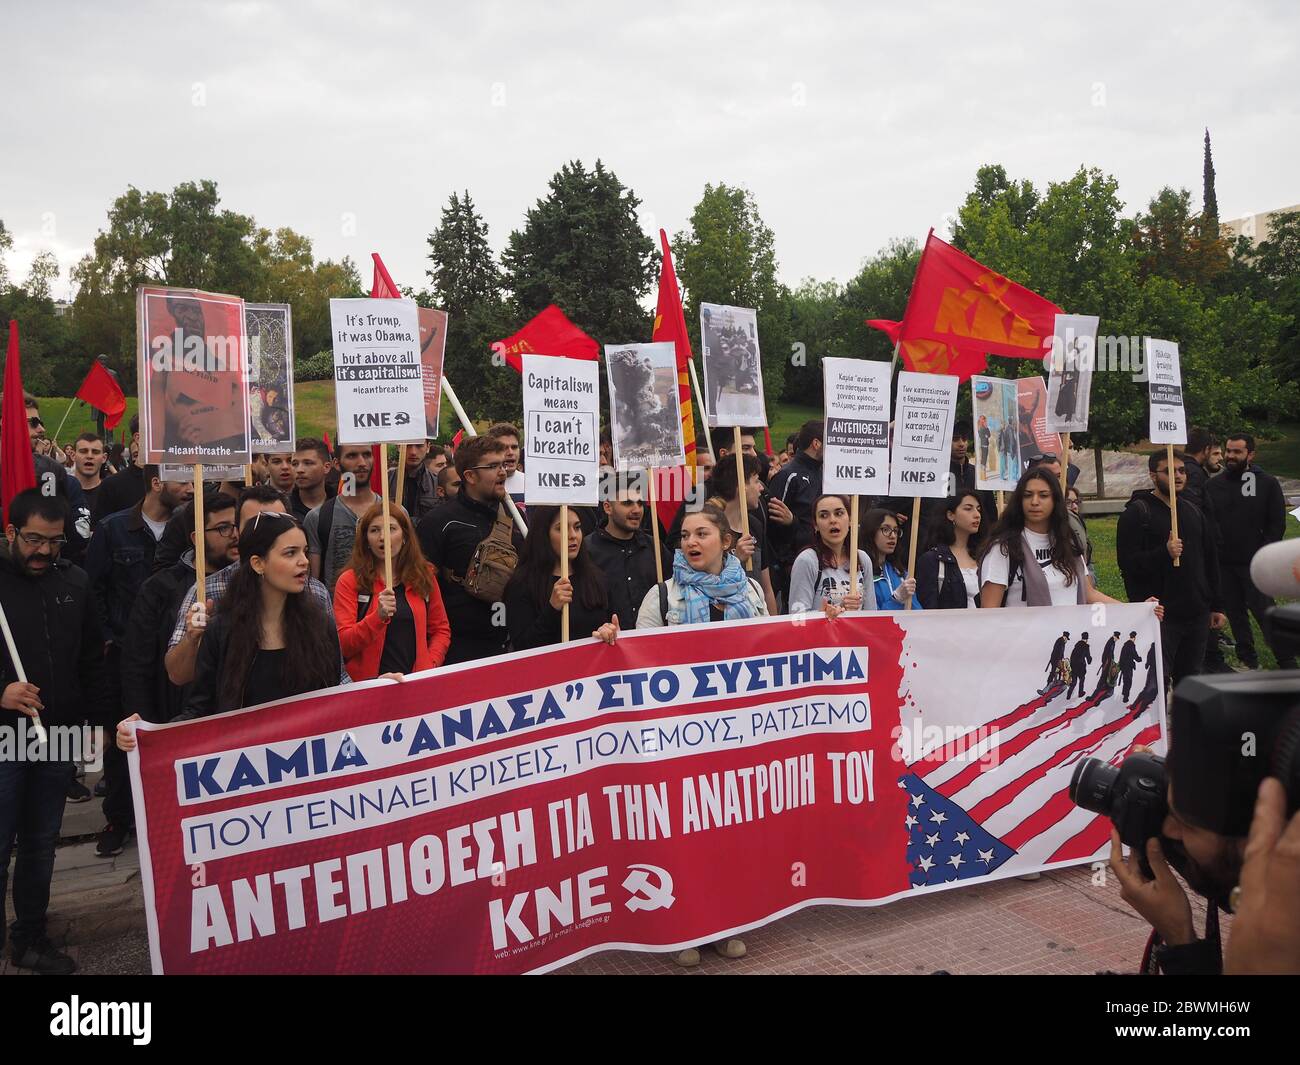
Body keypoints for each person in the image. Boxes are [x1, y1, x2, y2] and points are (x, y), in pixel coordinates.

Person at [635, 502, 763, 965]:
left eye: (702, 533)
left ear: (726, 542)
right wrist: (613, 644)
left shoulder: (749, 592)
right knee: (685, 834)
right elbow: (638, 664)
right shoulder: (661, 596)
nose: (690, 542)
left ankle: (727, 921)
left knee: (730, 831)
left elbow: (771, 651)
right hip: (679, 739)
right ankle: (684, 926)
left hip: (738, 737)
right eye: (685, 535)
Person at [0, 489, 105, 974]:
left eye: (54, 542)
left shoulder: (77, 582)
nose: (43, 551)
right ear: (10, 533)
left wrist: (93, 723)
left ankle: (30, 938)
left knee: (41, 842)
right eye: (33, 540)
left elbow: (88, 659)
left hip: (59, 733)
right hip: (3, 736)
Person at [119, 513, 349, 731]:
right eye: (290, 553)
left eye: (305, 551)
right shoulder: (221, 630)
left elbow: (336, 696)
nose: (304, 562)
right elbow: (200, 709)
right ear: (258, 564)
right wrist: (149, 734)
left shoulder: (320, 625)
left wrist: (378, 690)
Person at [84, 464, 191, 857]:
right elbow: (92, 586)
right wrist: (109, 638)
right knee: (122, 737)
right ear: (156, 483)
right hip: (124, 653)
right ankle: (119, 817)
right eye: (182, 481)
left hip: (173, 651)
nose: (188, 489)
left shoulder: (185, 527)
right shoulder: (114, 529)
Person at [164, 486, 335, 687]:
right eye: (255, 524)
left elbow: (335, 675)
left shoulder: (315, 592)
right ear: (238, 532)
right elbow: (178, 675)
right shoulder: (207, 591)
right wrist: (192, 638)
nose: (269, 533)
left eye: (280, 523)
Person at [1117, 451, 1226, 688]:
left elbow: (1210, 560)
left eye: (1181, 470)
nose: (1177, 476)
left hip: (1196, 613)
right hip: (1161, 615)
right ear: (1153, 476)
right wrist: (1164, 553)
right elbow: (1128, 564)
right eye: (1169, 471)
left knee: (1190, 684)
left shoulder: (1194, 511)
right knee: (1156, 683)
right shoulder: (1137, 513)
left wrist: (1216, 605)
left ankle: (1186, 725)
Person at [417, 435, 525, 663]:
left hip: (512, 644)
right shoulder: (439, 522)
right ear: (470, 476)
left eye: (503, 464)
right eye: (493, 466)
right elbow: (422, 589)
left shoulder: (516, 516)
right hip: (460, 651)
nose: (503, 472)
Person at [978, 468, 1141, 612]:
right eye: (1028, 495)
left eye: (1043, 495)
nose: (1034, 502)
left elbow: (1089, 593)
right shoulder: (1002, 548)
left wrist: (1137, 611)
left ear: (1055, 500)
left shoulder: (1068, 541)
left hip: (1068, 641)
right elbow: (989, 613)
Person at [1204, 433, 1296, 670]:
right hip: (1225, 564)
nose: (1230, 456)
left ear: (1251, 454)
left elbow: (1276, 523)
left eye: (1237, 452)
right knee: (1235, 614)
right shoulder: (1213, 485)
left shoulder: (1266, 483)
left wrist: (1264, 554)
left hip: (1255, 565)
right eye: (1228, 451)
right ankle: (1247, 659)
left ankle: (1286, 661)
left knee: (1266, 613)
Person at [333, 502, 450, 679]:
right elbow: (343, 644)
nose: (383, 537)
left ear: (404, 537)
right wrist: (376, 618)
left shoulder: (424, 576)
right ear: (366, 540)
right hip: (369, 688)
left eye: (391, 529)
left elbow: (440, 630)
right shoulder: (350, 581)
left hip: (415, 686)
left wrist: (430, 664)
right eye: (374, 530)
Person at [504, 505, 618, 650]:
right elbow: (523, 647)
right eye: (562, 528)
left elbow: (611, 627)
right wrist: (552, 609)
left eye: (577, 527)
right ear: (543, 534)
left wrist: (609, 632)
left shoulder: (597, 579)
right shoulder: (522, 584)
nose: (573, 535)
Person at [692, 452, 778, 614]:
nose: (761, 487)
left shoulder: (755, 525)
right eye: (755, 480)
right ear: (741, 487)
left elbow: (766, 589)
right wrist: (736, 561)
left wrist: (773, 626)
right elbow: (700, 585)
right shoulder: (707, 529)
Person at [585, 486, 671, 630]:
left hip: (651, 642)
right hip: (606, 645)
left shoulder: (655, 546)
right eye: (627, 503)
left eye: (640, 503)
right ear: (608, 507)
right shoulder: (587, 550)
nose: (637, 509)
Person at [303, 443, 381, 595]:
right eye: (352, 456)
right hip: (335, 613)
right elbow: (312, 584)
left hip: (384, 611)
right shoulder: (318, 517)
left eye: (366, 455)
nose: (362, 463)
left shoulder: (394, 514)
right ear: (337, 464)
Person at [787, 494, 873, 616]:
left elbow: (871, 613)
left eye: (839, 513)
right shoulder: (807, 560)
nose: (832, 520)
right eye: (824, 515)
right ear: (815, 525)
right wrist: (827, 614)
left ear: (850, 520)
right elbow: (797, 618)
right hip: (820, 635)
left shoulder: (862, 558)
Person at [765, 420, 823, 597]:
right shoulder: (788, 474)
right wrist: (792, 522)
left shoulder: (824, 472)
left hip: (821, 559)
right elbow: (772, 525)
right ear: (816, 443)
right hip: (792, 564)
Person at [915, 491, 983, 609]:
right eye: (968, 509)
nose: (977, 514)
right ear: (950, 515)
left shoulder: (984, 555)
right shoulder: (932, 560)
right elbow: (928, 609)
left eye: (978, 509)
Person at [862, 508, 920, 611]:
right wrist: (896, 599)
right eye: (886, 529)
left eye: (896, 531)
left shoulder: (900, 573)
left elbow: (917, 612)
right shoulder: (859, 572)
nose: (893, 536)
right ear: (870, 532)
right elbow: (870, 619)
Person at [389, 440, 438, 522]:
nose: (413, 452)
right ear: (398, 446)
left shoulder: (437, 483)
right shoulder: (384, 481)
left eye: (419, 445)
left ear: (428, 447)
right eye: (408, 445)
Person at [289, 437, 332, 521]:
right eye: (294, 464)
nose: (299, 470)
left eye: (308, 463)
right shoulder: (284, 508)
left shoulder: (341, 506)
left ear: (326, 467)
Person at [487, 422, 526, 510]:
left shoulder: (531, 484)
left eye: (514, 447)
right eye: (504, 448)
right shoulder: (484, 485)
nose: (511, 452)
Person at [71, 432, 107, 525]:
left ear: (104, 458)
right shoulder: (62, 493)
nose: (89, 456)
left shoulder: (111, 493)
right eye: (83, 451)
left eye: (95, 452)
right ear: (73, 455)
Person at [1117, 631, 1141, 700]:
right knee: (1129, 681)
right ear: (1134, 637)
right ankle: (1125, 697)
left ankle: (1124, 693)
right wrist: (1139, 659)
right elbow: (1134, 655)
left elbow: (1121, 656)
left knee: (1125, 680)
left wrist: (1121, 666)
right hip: (1129, 666)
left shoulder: (1125, 645)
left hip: (1124, 666)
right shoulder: (1131, 645)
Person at [1066, 633, 1091, 697]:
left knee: (1074, 682)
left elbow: (1072, 656)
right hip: (1081, 667)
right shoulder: (1086, 646)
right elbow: (1089, 660)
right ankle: (1080, 693)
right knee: (1082, 680)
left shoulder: (1076, 646)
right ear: (1087, 639)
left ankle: (1069, 694)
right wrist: (1090, 659)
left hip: (1074, 666)